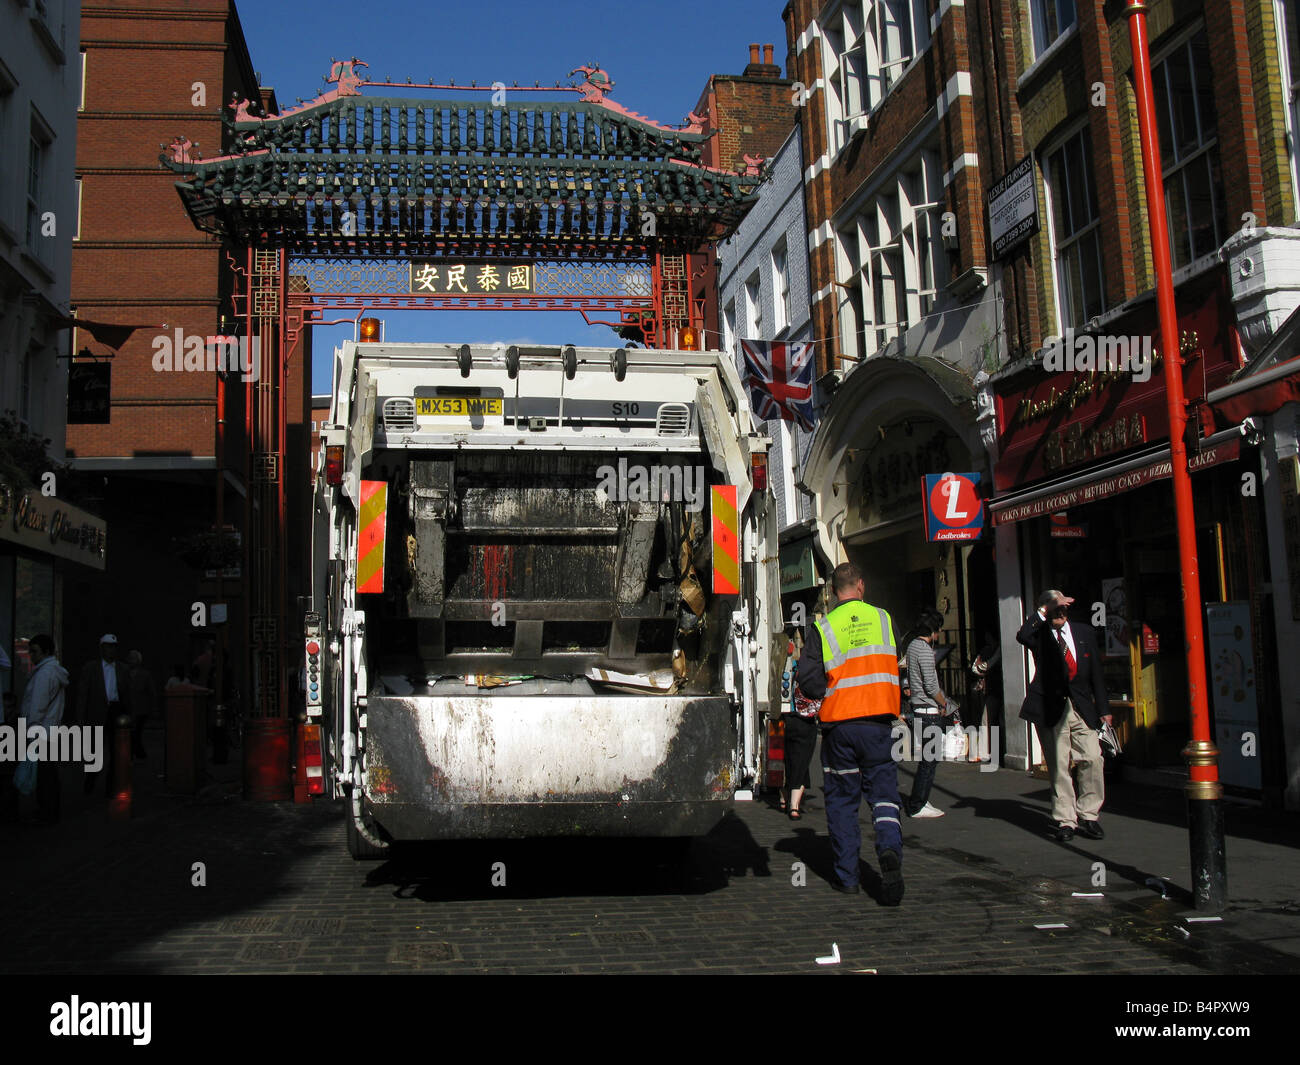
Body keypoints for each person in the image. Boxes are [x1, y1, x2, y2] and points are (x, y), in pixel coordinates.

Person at [797, 562, 904, 904]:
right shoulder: (885, 619)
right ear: (861, 585)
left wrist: (832, 690)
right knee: (884, 794)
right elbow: (894, 658)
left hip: (840, 728)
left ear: (831, 592)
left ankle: (848, 878)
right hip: (878, 725)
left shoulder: (824, 627)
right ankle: (888, 849)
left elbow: (809, 681)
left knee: (842, 802)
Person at [1017, 589, 1111, 842]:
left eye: (1063, 607)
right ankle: (1065, 820)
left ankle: (1089, 815)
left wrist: (1104, 710)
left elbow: (1096, 675)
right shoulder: (1039, 634)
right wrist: (1045, 610)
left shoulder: (1083, 633)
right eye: (1054, 607)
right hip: (1052, 707)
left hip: (1082, 707)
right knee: (1059, 766)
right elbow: (1022, 635)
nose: (1060, 612)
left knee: (1092, 758)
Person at [903, 609, 952, 819]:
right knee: (930, 760)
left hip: (919, 708)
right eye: (938, 629)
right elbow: (931, 685)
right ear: (932, 629)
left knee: (928, 758)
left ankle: (921, 799)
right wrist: (944, 704)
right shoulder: (923, 649)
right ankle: (917, 804)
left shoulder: (912, 646)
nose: (939, 634)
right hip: (928, 709)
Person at [20, 634, 70, 824]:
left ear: (46, 652)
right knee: (48, 773)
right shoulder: (53, 672)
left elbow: (37, 706)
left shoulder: (43, 674)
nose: (31, 656)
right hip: (50, 729)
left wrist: (31, 730)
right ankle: (50, 810)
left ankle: (47, 812)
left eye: (34, 651)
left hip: (40, 730)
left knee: (44, 775)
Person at [76, 634, 132, 796]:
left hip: (116, 711)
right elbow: (83, 694)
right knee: (95, 751)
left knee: (116, 752)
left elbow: (128, 695)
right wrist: (81, 719)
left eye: (113, 646)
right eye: (108, 646)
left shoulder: (123, 669)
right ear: (101, 648)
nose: (111, 649)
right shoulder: (91, 668)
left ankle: (110, 785)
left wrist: (129, 715)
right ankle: (91, 780)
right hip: (97, 712)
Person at [782, 628, 820, 821]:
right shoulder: (811, 668)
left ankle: (785, 797)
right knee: (802, 761)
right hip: (806, 718)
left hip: (786, 716)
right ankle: (794, 805)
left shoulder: (786, 664)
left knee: (788, 758)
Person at [127, 650, 157, 760]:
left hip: (141, 710)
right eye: (130, 658)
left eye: (133, 658)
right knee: (132, 733)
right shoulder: (125, 674)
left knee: (136, 733)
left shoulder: (145, 675)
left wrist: (152, 709)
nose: (130, 661)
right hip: (130, 708)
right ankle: (138, 754)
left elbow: (151, 692)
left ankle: (138, 754)